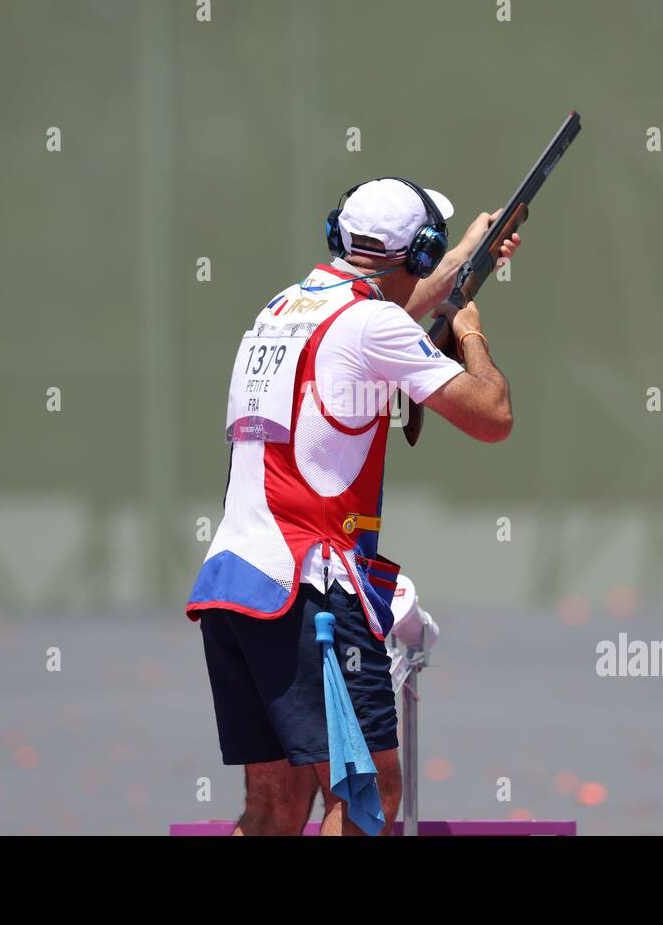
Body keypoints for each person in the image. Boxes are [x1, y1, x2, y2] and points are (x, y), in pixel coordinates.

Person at [187, 177, 519, 835]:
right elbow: (492, 415)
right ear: (417, 254)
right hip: (309, 593)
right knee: (366, 800)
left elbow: (381, 310)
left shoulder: (280, 311)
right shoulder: (374, 324)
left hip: (237, 583)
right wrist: (469, 329)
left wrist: (466, 260)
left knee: (272, 810)